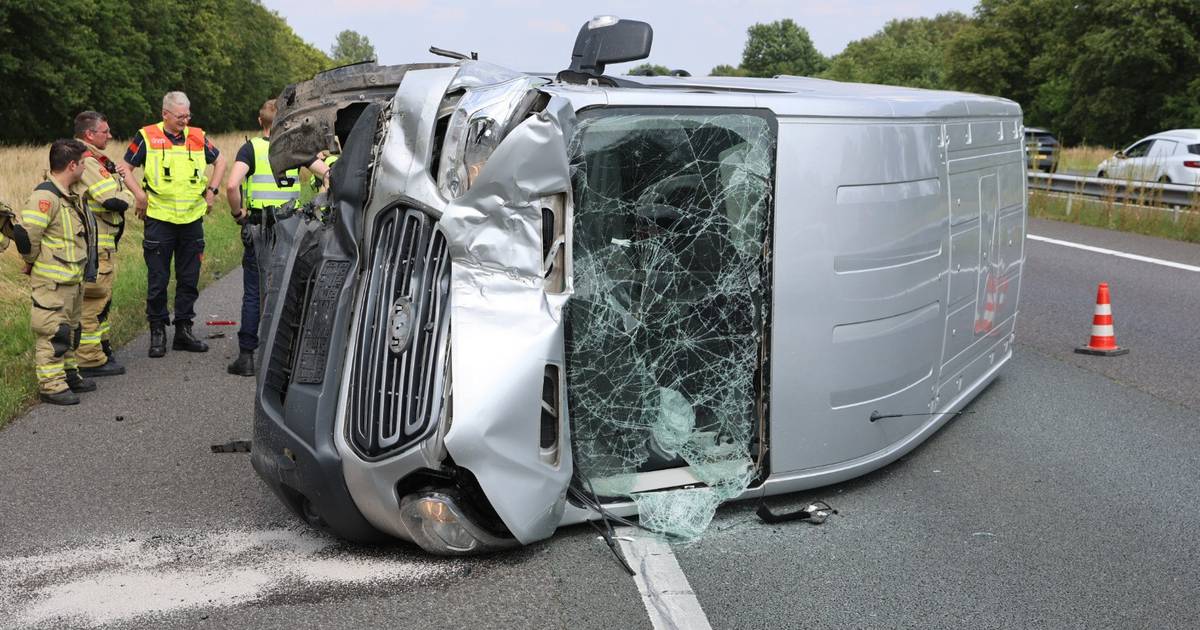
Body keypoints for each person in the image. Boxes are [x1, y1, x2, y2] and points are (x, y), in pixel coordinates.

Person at [122, 91, 227, 358]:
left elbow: (221, 160)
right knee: (158, 280)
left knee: (189, 279)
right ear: (165, 114)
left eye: (187, 115)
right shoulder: (146, 136)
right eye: (180, 116)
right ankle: (158, 331)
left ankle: (184, 329)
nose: (185, 120)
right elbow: (124, 168)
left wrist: (212, 190)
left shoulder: (197, 136)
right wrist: (139, 195)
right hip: (159, 219)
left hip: (192, 219)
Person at [223, 99, 300, 376]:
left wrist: (238, 214)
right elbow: (327, 172)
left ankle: (247, 358)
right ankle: (283, 358)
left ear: (260, 122)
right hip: (291, 228)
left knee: (255, 292)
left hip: (259, 228)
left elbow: (232, 185)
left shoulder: (251, 148)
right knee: (287, 289)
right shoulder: (295, 147)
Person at [22, 139, 100, 405]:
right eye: (83, 163)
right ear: (72, 165)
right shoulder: (45, 197)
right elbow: (29, 237)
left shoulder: (72, 194)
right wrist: (30, 261)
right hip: (52, 282)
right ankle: (51, 385)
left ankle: (69, 374)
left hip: (72, 279)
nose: (85, 168)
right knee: (53, 333)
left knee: (71, 330)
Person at [73, 111, 136, 377]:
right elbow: (112, 200)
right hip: (95, 245)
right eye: (105, 132)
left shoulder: (95, 160)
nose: (110, 136)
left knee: (102, 301)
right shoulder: (87, 162)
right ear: (89, 134)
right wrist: (129, 193)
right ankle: (89, 359)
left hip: (102, 244)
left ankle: (100, 348)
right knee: (93, 301)